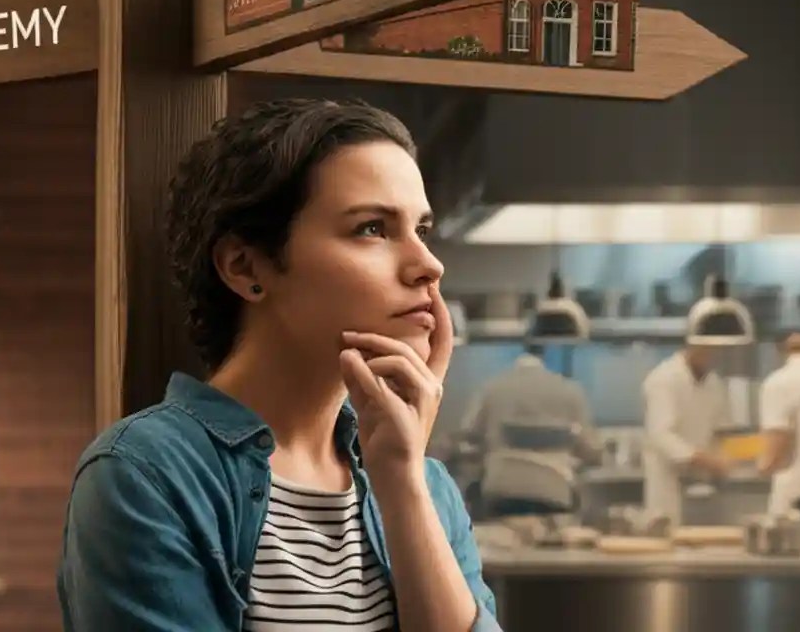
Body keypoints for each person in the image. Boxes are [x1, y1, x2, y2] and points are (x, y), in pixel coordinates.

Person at [57, 99, 500, 632]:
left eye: (421, 230)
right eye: (372, 229)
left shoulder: (424, 483)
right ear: (246, 268)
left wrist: (402, 484)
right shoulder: (145, 475)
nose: (429, 264)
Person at [462, 344, 602, 517]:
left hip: (501, 489)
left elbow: (470, 437)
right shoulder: (570, 391)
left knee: (502, 539)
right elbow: (590, 449)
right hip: (555, 491)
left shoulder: (492, 388)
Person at [641, 344, 734, 524]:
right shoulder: (663, 378)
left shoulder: (714, 383)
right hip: (668, 482)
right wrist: (704, 460)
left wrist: (725, 455)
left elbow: (721, 429)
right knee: (669, 534)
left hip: (704, 484)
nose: (712, 354)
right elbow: (661, 435)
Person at [757, 333, 800, 524]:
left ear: (780, 352)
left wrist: (760, 467)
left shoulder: (779, 382)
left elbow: (776, 448)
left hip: (797, 502)